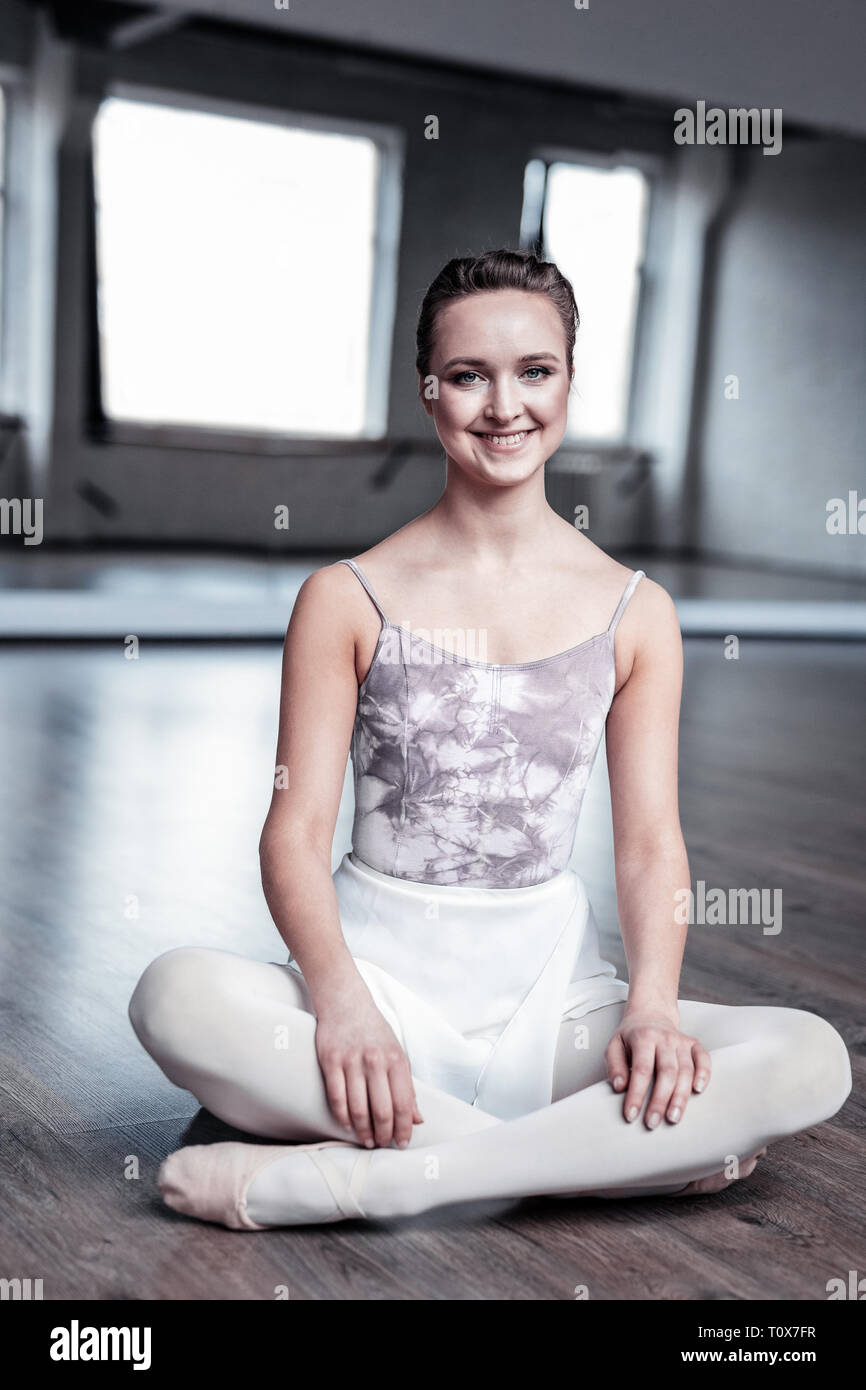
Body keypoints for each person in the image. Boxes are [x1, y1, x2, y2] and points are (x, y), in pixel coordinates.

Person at [128, 249, 852, 1230]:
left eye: (533, 371)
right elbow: (291, 834)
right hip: (371, 993)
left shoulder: (635, 611)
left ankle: (369, 1174)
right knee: (171, 997)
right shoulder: (345, 597)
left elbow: (647, 842)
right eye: (468, 374)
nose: (502, 404)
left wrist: (650, 1006)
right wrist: (340, 1008)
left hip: (553, 1004)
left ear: (567, 381)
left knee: (808, 1056)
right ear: (427, 391)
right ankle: (580, 1160)